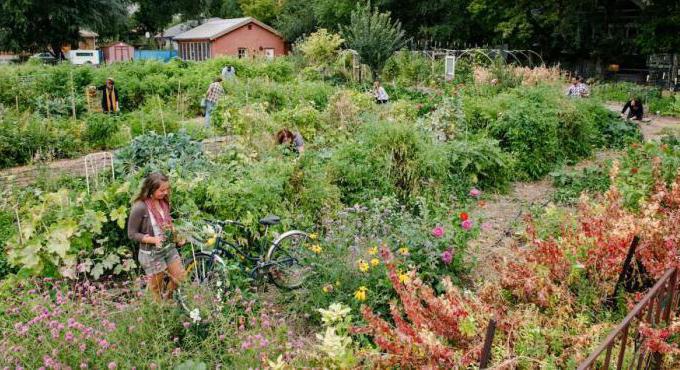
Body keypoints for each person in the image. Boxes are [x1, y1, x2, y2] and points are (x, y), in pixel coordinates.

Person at [127, 172, 186, 301]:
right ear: (151, 190)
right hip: (152, 253)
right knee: (156, 288)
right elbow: (132, 234)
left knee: (179, 277)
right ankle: (159, 313)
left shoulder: (164, 202)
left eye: (167, 189)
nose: (166, 192)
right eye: (162, 190)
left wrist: (177, 236)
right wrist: (154, 240)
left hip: (169, 249)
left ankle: (168, 299)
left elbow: (167, 223)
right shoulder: (140, 207)